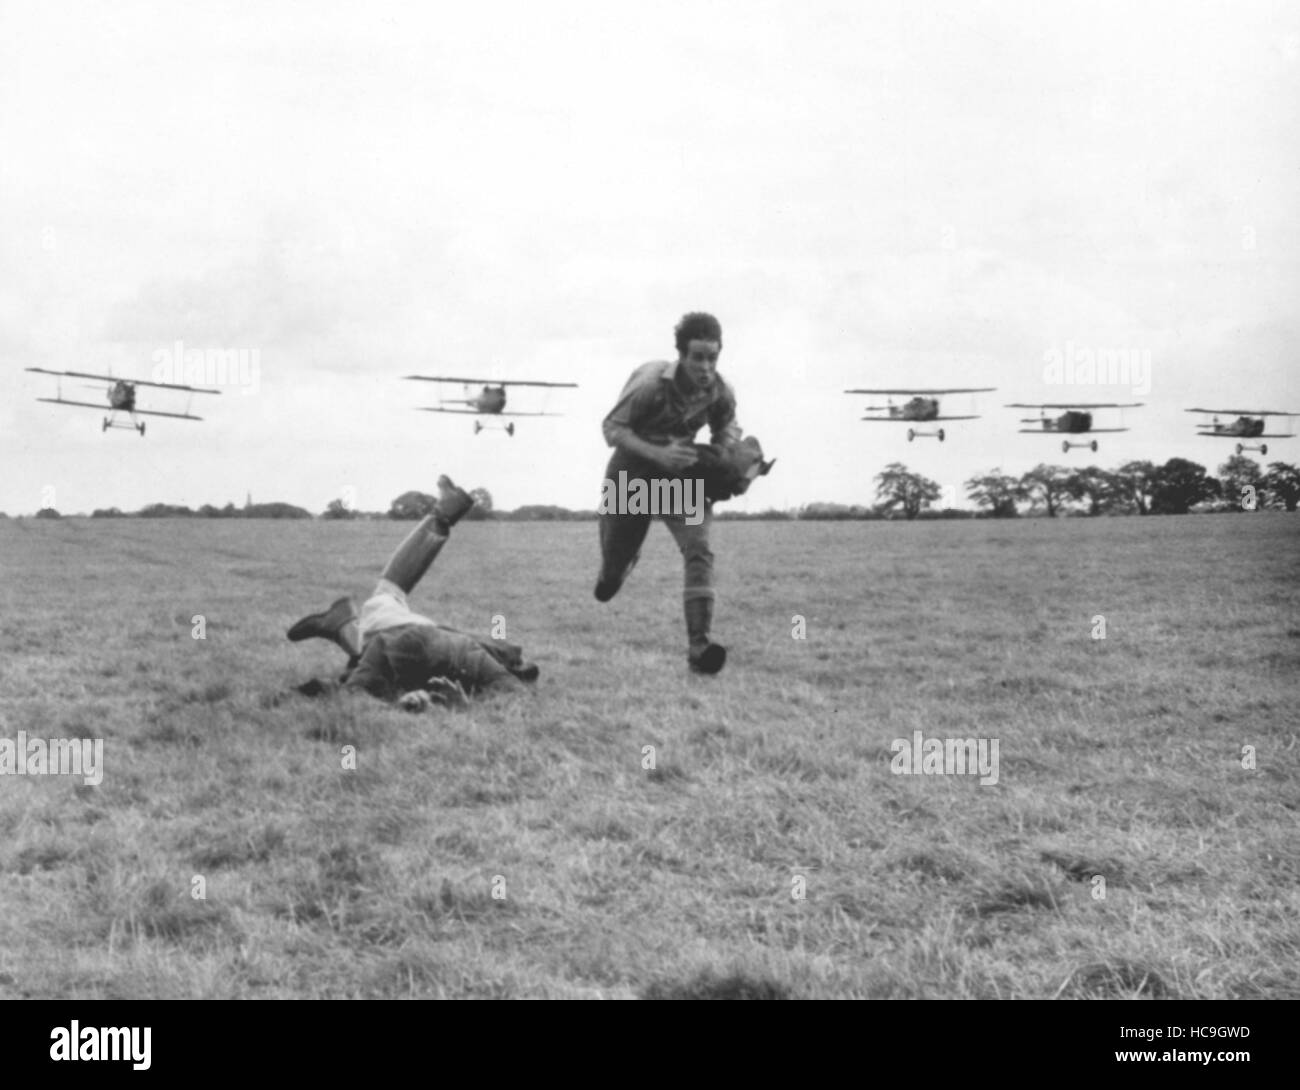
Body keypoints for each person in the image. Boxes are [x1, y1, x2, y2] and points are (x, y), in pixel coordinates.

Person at [595, 312, 772, 674]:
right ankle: (619, 567)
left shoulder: (720, 390)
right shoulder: (648, 384)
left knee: (699, 549)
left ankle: (699, 647)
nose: (706, 367)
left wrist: (724, 453)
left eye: (713, 357)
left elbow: (727, 426)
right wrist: (658, 453)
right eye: (698, 357)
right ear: (681, 355)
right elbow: (612, 428)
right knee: (610, 573)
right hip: (632, 473)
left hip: (679, 476)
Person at [286, 475, 538, 711]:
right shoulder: (402, 648)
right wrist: (455, 704)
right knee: (383, 603)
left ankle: (344, 627)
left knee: (384, 600)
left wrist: (441, 703)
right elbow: (353, 694)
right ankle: (344, 627)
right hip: (425, 642)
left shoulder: (399, 649)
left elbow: (353, 694)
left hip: (428, 643)